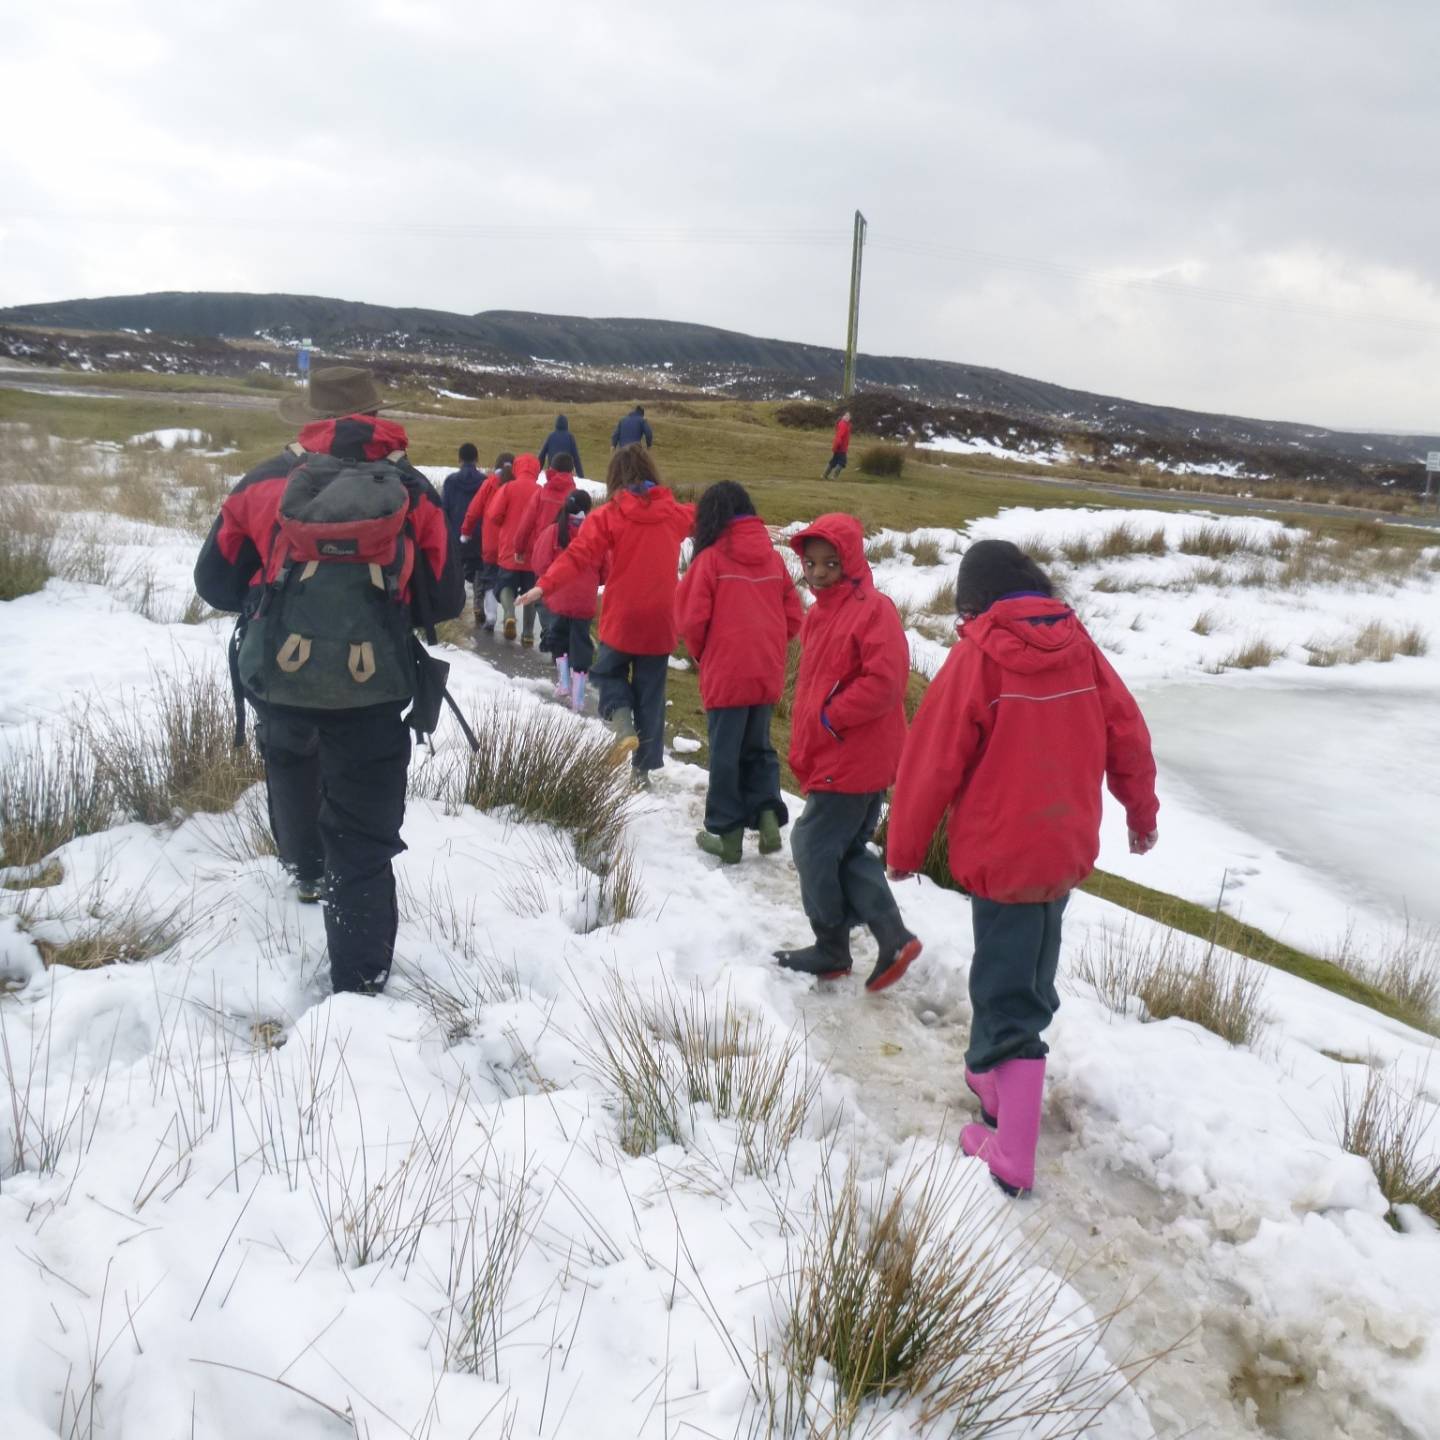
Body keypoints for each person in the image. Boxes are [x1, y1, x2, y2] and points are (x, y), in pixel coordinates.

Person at [885, 539, 1159, 1198]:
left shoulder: (979, 657)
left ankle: (1011, 1153)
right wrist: (1139, 813)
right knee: (1026, 969)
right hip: (1061, 850)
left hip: (1002, 851)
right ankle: (991, 1075)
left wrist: (903, 849)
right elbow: (1128, 734)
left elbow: (931, 760)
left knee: (1009, 991)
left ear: (976, 604)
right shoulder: (1082, 648)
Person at [194, 365, 463, 995]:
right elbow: (445, 596)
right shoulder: (413, 489)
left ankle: (305, 869)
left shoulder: (262, 483)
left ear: (308, 418)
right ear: (377, 415)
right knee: (365, 836)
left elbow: (213, 583)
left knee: (289, 758)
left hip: (280, 676)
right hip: (378, 687)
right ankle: (361, 982)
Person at [774, 512, 921, 991]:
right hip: (839, 753)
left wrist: (830, 718)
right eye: (811, 563)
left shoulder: (873, 609)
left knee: (812, 844)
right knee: (844, 849)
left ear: (851, 561)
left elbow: (885, 683)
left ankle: (833, 947)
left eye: (830, 563)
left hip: (854, 755)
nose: (818, 573)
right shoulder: (820, 613)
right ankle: (891, 936)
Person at [519, 445, 693, 786]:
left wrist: (545, 586)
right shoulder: (675, 512)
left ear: (615, 477)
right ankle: (641, 772)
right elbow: (711, 517)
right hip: (661, 619)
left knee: (605, 671)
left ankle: (622, 720)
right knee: (651, 693)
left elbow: (578, 556)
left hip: (624, 615)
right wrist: (752, 526)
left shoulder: (609, 515)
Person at [675, 481, 803, 865]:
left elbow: (692, 620)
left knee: (726, 754)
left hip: (727, 671)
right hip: (765, 671)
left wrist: (704, 655)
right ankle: (766, 820)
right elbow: (794, 616)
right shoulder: (773, 559)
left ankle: (727, 836)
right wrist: (769, 648)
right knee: (759, 747)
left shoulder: (710, 560)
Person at [529, 490, 604, 710]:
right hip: (584, 600)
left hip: (558, 597)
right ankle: (579, 696)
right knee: (581, 643)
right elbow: (606, 567)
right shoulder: (595, 535)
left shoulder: (553, 532)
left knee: (558, 637)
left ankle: (563, 683)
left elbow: (540, 563)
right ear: (588, 509)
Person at [484, 453, 543, 645]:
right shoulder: (540, 490)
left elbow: (493, 515)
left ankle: (509, 615)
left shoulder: (508, 488)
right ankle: (527, 633)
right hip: (533, 551)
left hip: (509, 548)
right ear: (536, 470)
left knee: (505, 585)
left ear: (516, 468)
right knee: (530, 590)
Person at [460, 451, 514, 632]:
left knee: (489, 578)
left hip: (490, 542)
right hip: (511, 543)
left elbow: (474, 510)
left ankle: (491, 615)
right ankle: (509, 614)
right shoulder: (517, 486)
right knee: (508, 581)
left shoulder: (488, 484)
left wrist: (466, 531)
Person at [441, 442, 485, 620]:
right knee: (479, 569)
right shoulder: (484, 481)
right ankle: (478, 604)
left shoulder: (451, 481)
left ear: (459, 459)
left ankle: (457, 606)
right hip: (479, 534)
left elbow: (443, 509)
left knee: (457, 569)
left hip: (456, 534)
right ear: (477, 459)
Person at [822, 410, 852, 481]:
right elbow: (839, 436)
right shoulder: (843, 424)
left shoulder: (845, 424)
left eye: (849, 416)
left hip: (840, 446)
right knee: (842, 462)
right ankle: (834, 477)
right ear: (843, 416)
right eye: (846, 415)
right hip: (840, 447)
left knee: (834, 461)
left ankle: (824, 475)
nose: (848, 417)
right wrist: (838, 445)